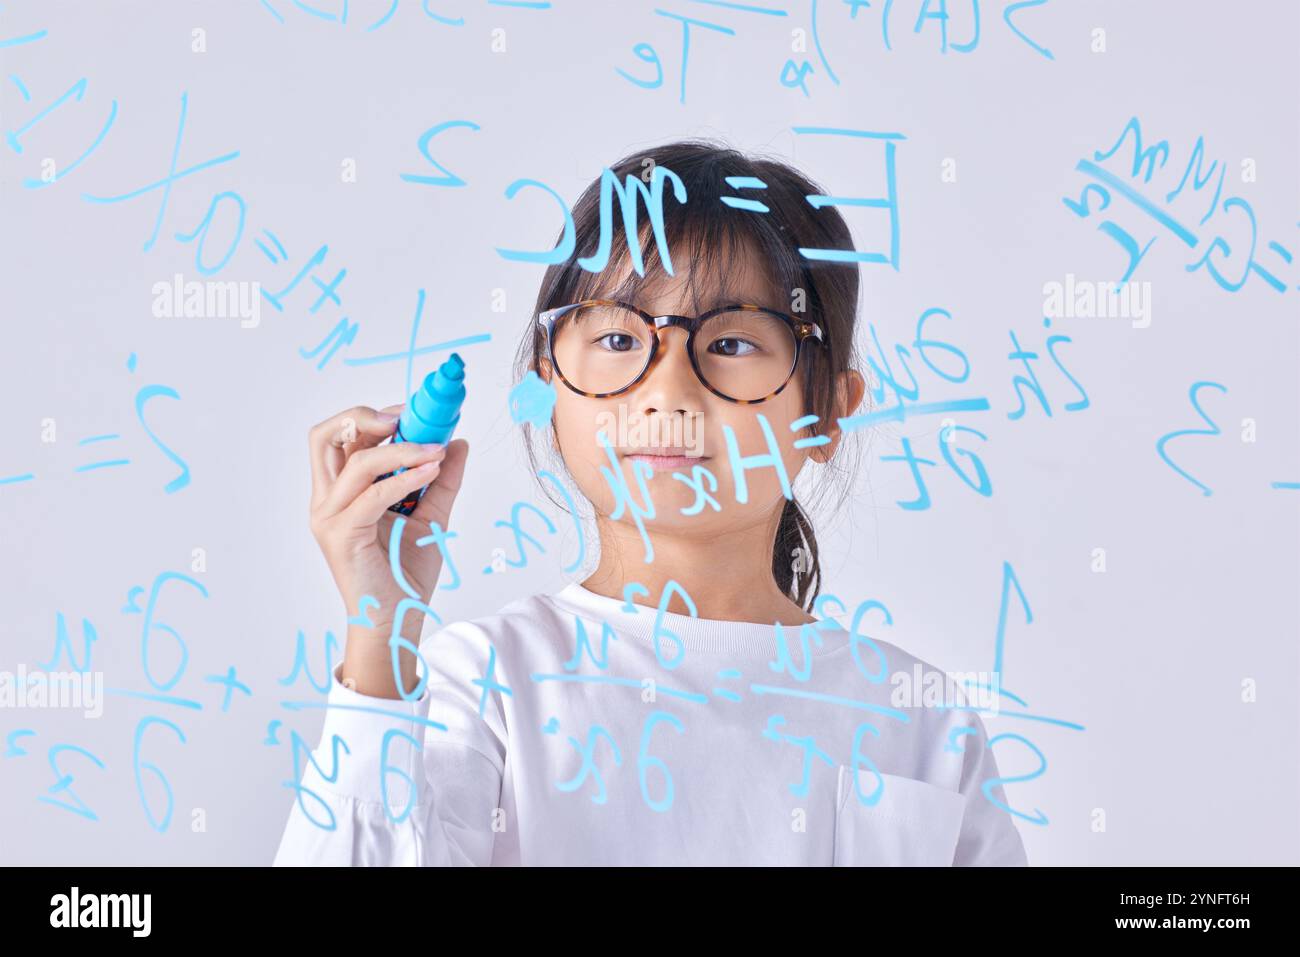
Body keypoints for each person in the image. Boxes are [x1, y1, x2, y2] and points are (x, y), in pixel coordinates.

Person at [272, 140, 1028, 866]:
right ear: (548, 383)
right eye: (617, 340)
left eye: (732, 344)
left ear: (826, 410)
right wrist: (381, 630)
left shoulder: (921, 717)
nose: (667, 392)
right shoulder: (485, 683)